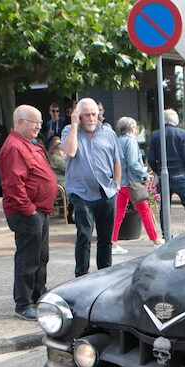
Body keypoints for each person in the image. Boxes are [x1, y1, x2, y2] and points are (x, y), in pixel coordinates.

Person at [0, 105, 57, 320]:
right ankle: (23, 304)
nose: (39, 126)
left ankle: (38, 296)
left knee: (40, 257)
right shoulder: (15, 147)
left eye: (40, 122)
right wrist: (30, 210)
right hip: (27, 212)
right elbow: (14, 184)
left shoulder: (29, 145)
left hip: (39, 210)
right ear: (21, 122)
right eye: (35, 122)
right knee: (28, 258)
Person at [63, 98, 121, 275]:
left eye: (94, 114)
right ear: (79, 116)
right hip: (82, 194)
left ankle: (105, 275)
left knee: (105, 238)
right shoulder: (69, 131)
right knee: (84, 236)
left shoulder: (108, 133)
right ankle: (81, 275)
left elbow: (117, 160)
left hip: (106, 192)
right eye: (86, 114)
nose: (91, 118)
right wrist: (74, 125)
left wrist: (117, 185)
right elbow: (70, 151)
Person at [112, 117, 162, 252]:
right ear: (131, 129)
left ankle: (113, 243)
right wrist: (144, 175)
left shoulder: (116, 141)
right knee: (144, 210)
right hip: (132, 182)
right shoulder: (131, 141)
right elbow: (133, 163)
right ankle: (156, 240)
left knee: (118, 213)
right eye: (136, 128)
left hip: (120, 182)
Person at [148, 108, 185, 233]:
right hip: (180, 173)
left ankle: (166, 234)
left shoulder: (155, 135)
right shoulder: (182, 134)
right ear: (175, 119)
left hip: (164, 176)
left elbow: (151, 159)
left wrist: (158, 171)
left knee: (165, 206)